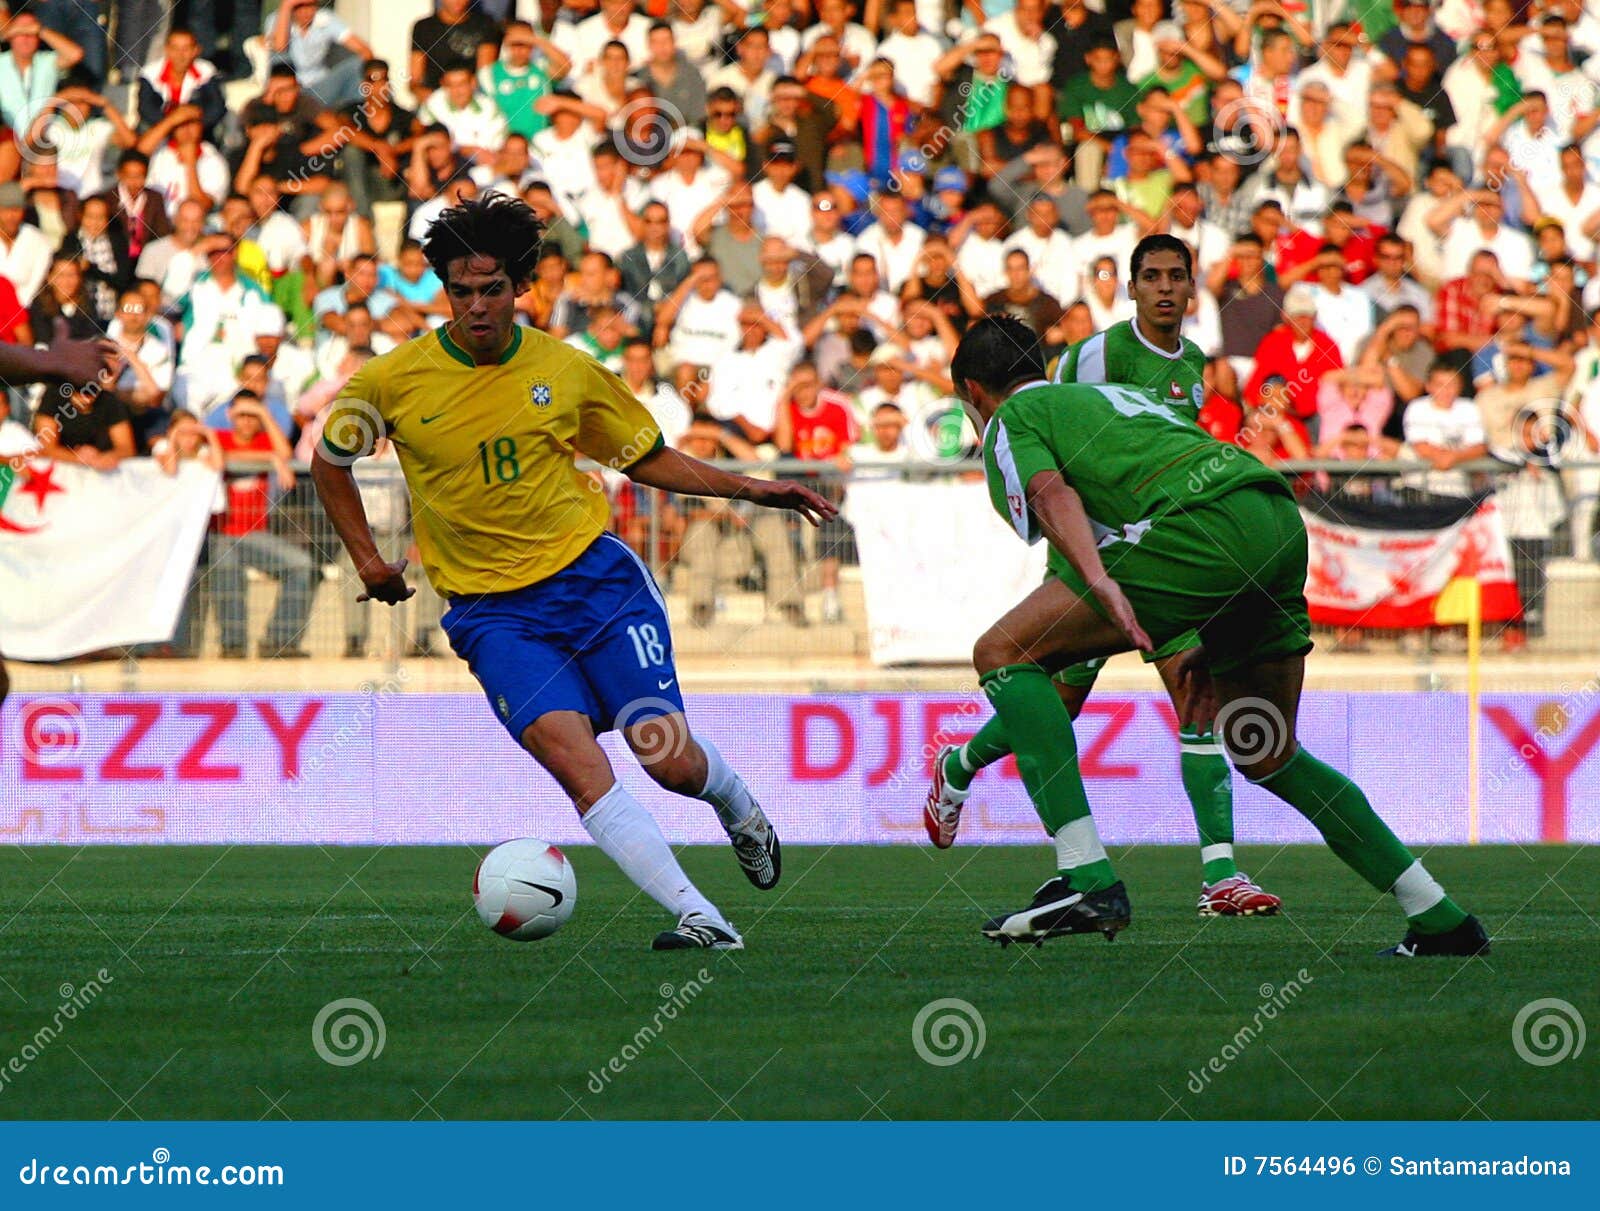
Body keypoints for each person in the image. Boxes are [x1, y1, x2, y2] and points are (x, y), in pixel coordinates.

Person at [312, 194, 836, 951]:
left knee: (668, 760)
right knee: (577, 764)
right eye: (461, 291)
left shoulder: (565, 370)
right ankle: (702, 918)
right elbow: (329, 461)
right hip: (493, 615)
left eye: (492, 288)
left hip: (596, 586)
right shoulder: (391, 381)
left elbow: (645, 458)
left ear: (522, 286)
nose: (476, 305)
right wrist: (367, 558)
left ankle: (736, 804)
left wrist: (753, 488)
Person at [947, 314, 1488, 958]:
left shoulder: (1013, 417)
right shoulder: (1111, 398)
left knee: (1003, 652)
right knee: (1268, 750)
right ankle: (1439, 917)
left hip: (1200, 530)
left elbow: (1049, 493)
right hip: (1273, 520)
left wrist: (1100, 580)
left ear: (972, 391)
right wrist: (1211, 622)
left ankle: (1086, 879)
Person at [931, 235, 1282, 916]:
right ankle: (960, 764)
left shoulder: (1193, 364)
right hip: (1090, 552)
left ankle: (1221, 875)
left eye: (1176, 276)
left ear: (1192, 287)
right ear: (1131, 288)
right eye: (1151, 276)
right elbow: (1041, 425)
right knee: (1055, 707)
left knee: (1197, 692)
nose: (1165, 288)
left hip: (1162, 546)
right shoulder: (1096, 355)